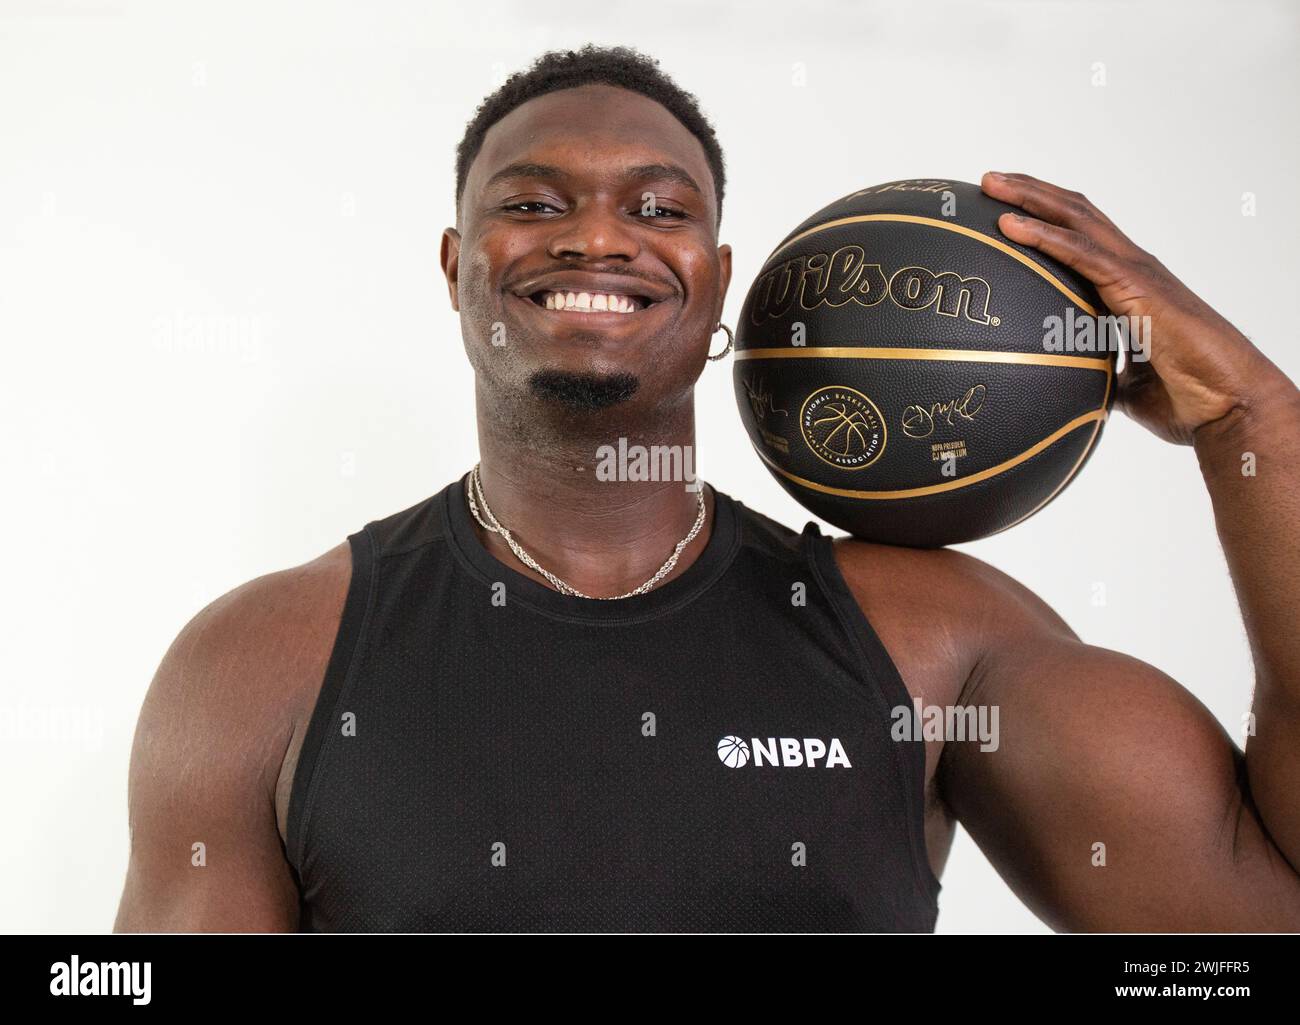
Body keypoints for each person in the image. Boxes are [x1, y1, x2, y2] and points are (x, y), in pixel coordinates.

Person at [114, 45, 1300, 932]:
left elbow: (1254, 915)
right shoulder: (262, 660)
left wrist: (1252, 419)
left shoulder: (930, 638)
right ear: (455, 264)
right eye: (531, 203)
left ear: (718, 275)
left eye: (657, 208)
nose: (596, 237)